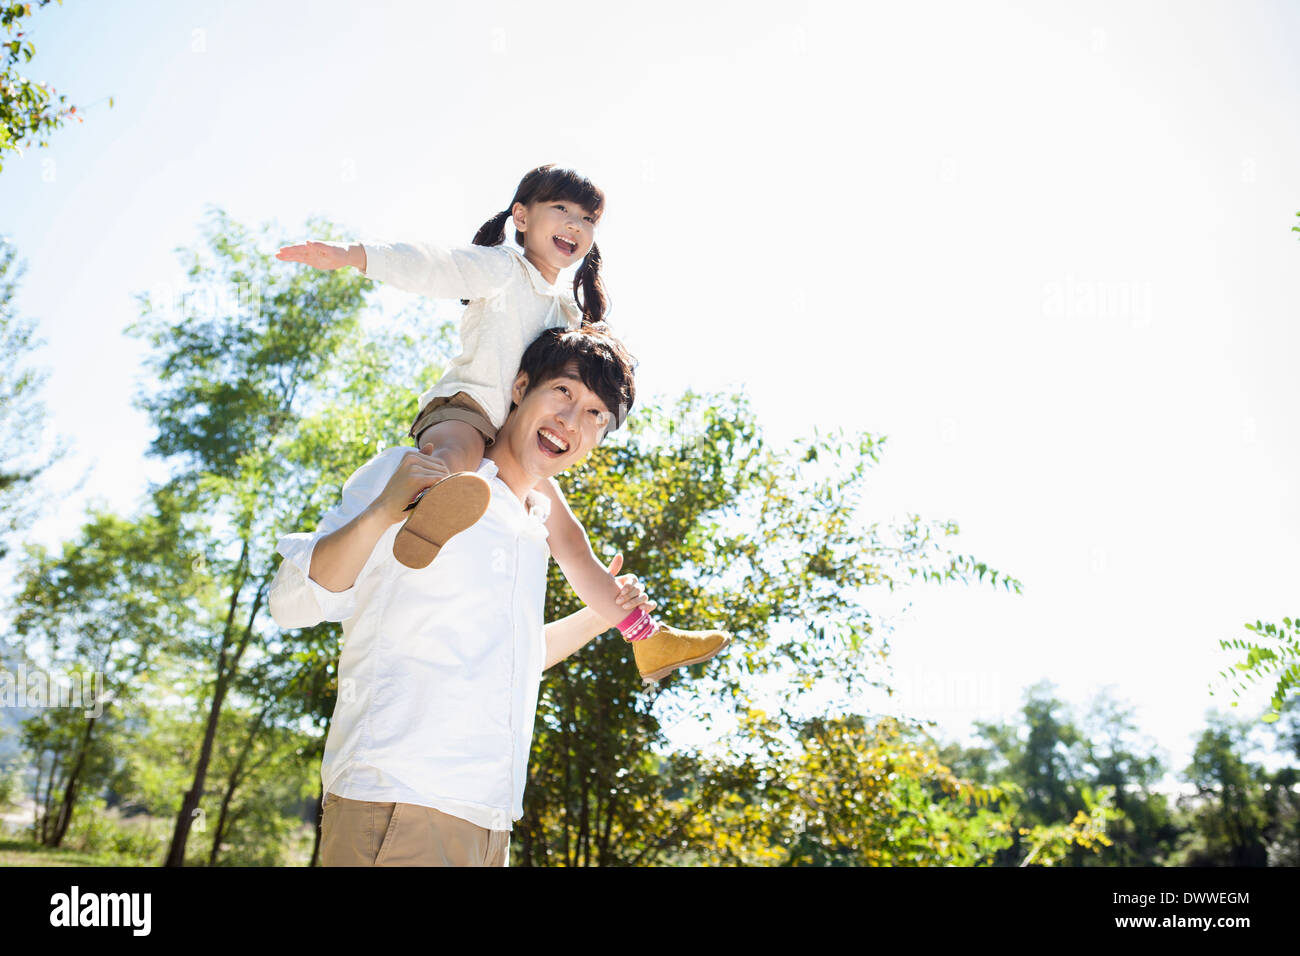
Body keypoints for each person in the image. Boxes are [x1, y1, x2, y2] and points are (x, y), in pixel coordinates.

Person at [268, 325, 724, 865]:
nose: (572, 421)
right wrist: (383, 514)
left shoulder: (534, 528)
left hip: (489, 823)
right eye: (564, 393)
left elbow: (517, 656)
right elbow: (290, 603)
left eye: (596, 414)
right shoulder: (421, 472)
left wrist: (602, 616)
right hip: (399, 799)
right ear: (519, 387)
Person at [275, 163, 728, 682]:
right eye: (560, 209)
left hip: (515, 439)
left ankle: (646, 636)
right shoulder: (500, 270)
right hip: (469, 408)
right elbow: (434, 265)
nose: (574, 224)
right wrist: (354, 257)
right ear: (521, 216)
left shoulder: (568, 313)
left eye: (587, 218)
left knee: (570, 537)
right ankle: (424, 513)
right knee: (455, 464)